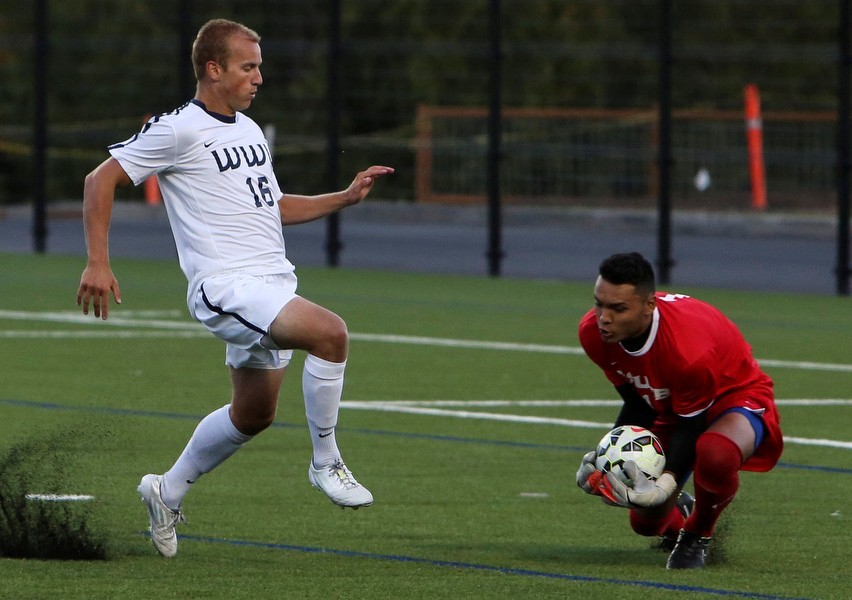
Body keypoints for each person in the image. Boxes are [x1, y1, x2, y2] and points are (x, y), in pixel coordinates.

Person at [76, 18, 394, 558]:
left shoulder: (247, 131)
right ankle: (325, 462)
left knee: (253, 414)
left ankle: (166, 489)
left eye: (260, 67)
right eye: (249, 67)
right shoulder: (178, 128)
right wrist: (97, 262)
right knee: (330, 334)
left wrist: (342, 197)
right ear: (213, 69)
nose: (259, 78)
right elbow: (99, 179)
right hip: (225, 286)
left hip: (270, 282)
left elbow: (272, 207)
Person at [574, 252, 782, 569]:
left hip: (734, 394)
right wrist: (606, 457)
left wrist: (666, 482)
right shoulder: (593, 334)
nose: (603, 317)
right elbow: (638, 403)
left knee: (715, 452)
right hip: (673, 404)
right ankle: (680, 516)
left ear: (649, 306)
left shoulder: (687, 350)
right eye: (599, 303)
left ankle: (698, 533)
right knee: (645, 522)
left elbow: (693, 424)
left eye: (618, 308)